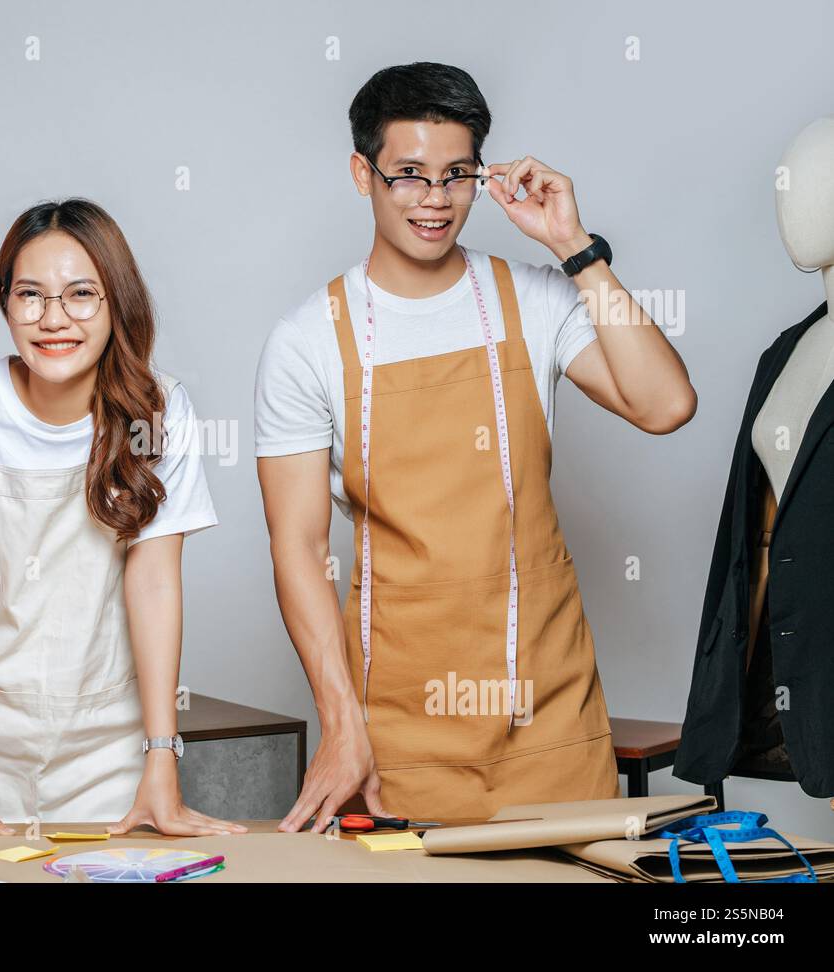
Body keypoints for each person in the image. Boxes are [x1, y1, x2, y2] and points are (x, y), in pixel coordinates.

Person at [255, 63, 697, 831]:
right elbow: (296, 548)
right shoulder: (306, 342)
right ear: (363, 174)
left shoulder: (536, 296)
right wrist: (341, 722)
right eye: (410, 175)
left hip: (551, 725)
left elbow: (666, 405)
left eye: (456, 175)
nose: (435, 199)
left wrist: (574, 245)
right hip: (394, 732)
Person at [0, 198, 245, 839]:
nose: (53, 320)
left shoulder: (154, 412)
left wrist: (162, 759)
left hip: (104, 746)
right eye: (30, 295)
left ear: (116, 304)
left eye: (81, 295)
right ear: (5, 301)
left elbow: (155, 583)